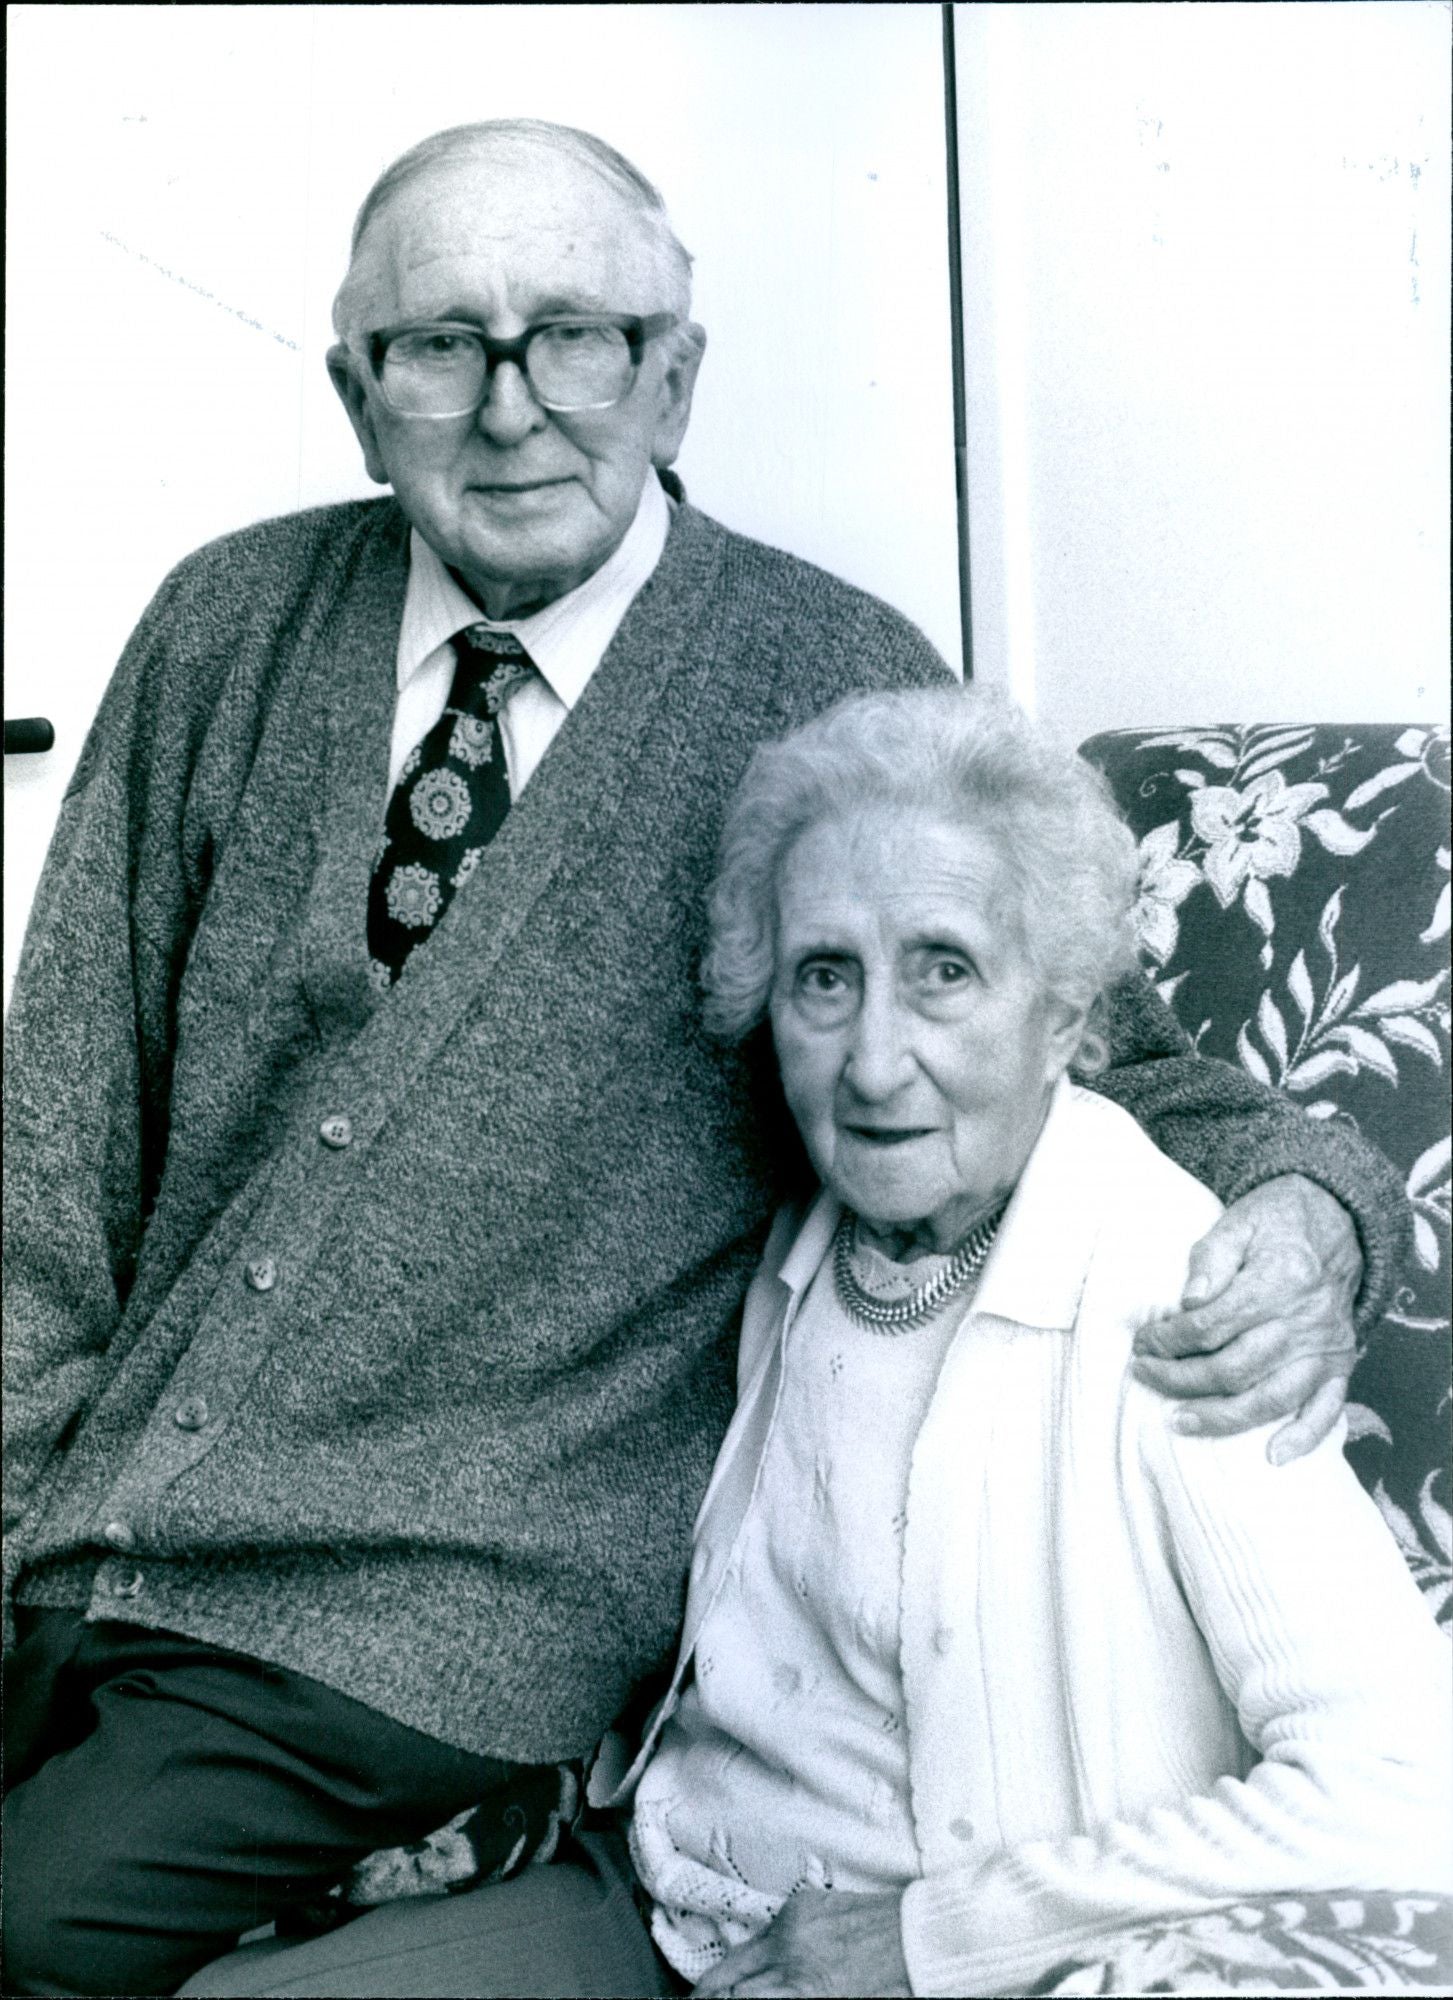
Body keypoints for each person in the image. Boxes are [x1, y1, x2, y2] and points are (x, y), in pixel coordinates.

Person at [0, 120, 1409, 1998]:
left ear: (674, 378)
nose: (513, 407)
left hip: (441, 1612)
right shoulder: (225, 626)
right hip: (86, 1539)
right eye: (441, 346)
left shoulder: (828, 675)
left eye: (576, 338)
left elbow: (1076, 1052)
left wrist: (1313, 1208)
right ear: (357, 398)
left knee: (23, 1927)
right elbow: (53, 1141)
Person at [626, 686, 1453, 1999]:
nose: (874, 1065)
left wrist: (934, 1940)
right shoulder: (801, 1246)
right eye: (824, 977)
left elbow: (1408, 1791)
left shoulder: (1185, 1300)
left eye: (944, 972)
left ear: (1064, 1017)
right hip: (660, 1908)